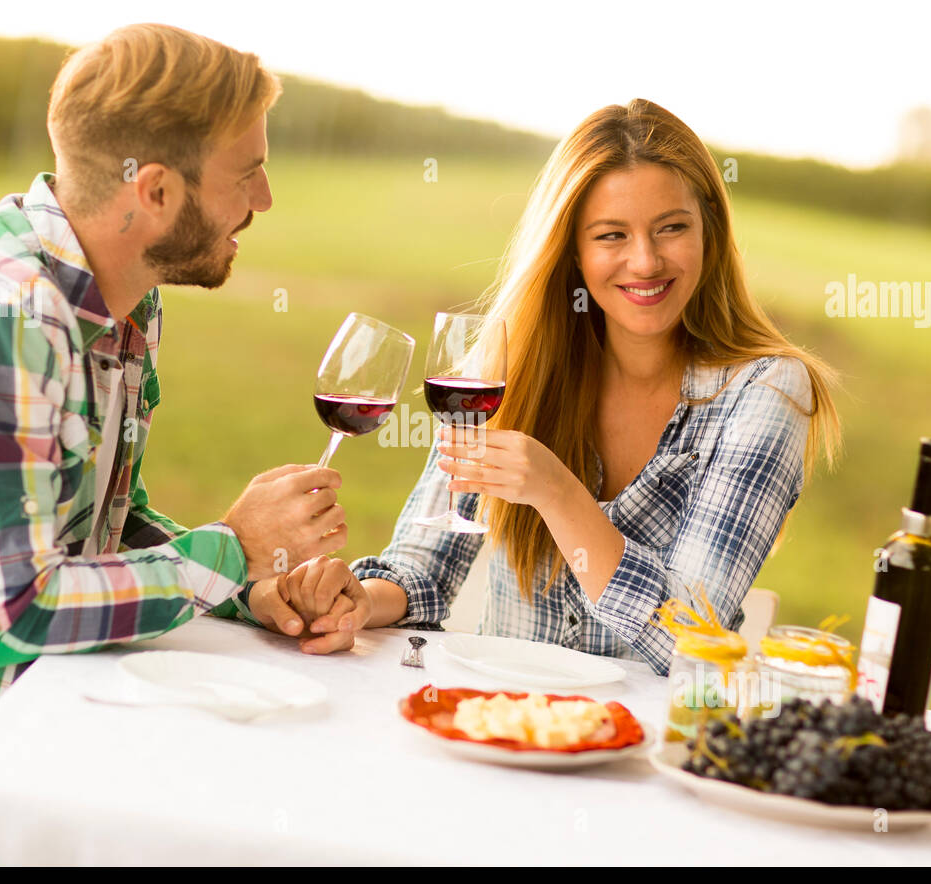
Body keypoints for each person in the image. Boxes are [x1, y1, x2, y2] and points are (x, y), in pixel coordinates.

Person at [0, 24, 353, 866]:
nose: (263, 199)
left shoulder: (123, 303)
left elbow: (101, 523)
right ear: (154, 190)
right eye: (248, 172)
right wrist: (232, 551)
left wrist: (249, 588)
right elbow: (14, 610)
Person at [250, 99, 842, 670]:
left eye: (671, 228)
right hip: (500, 720)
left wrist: (558, 493)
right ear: (573, 252)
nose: (645, 262)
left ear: (708, 231)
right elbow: (423, 571)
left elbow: (691, 639)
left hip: (646, 755)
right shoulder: (509, 370)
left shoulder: (767, 392)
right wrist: (359, 600)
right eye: (612, 235)